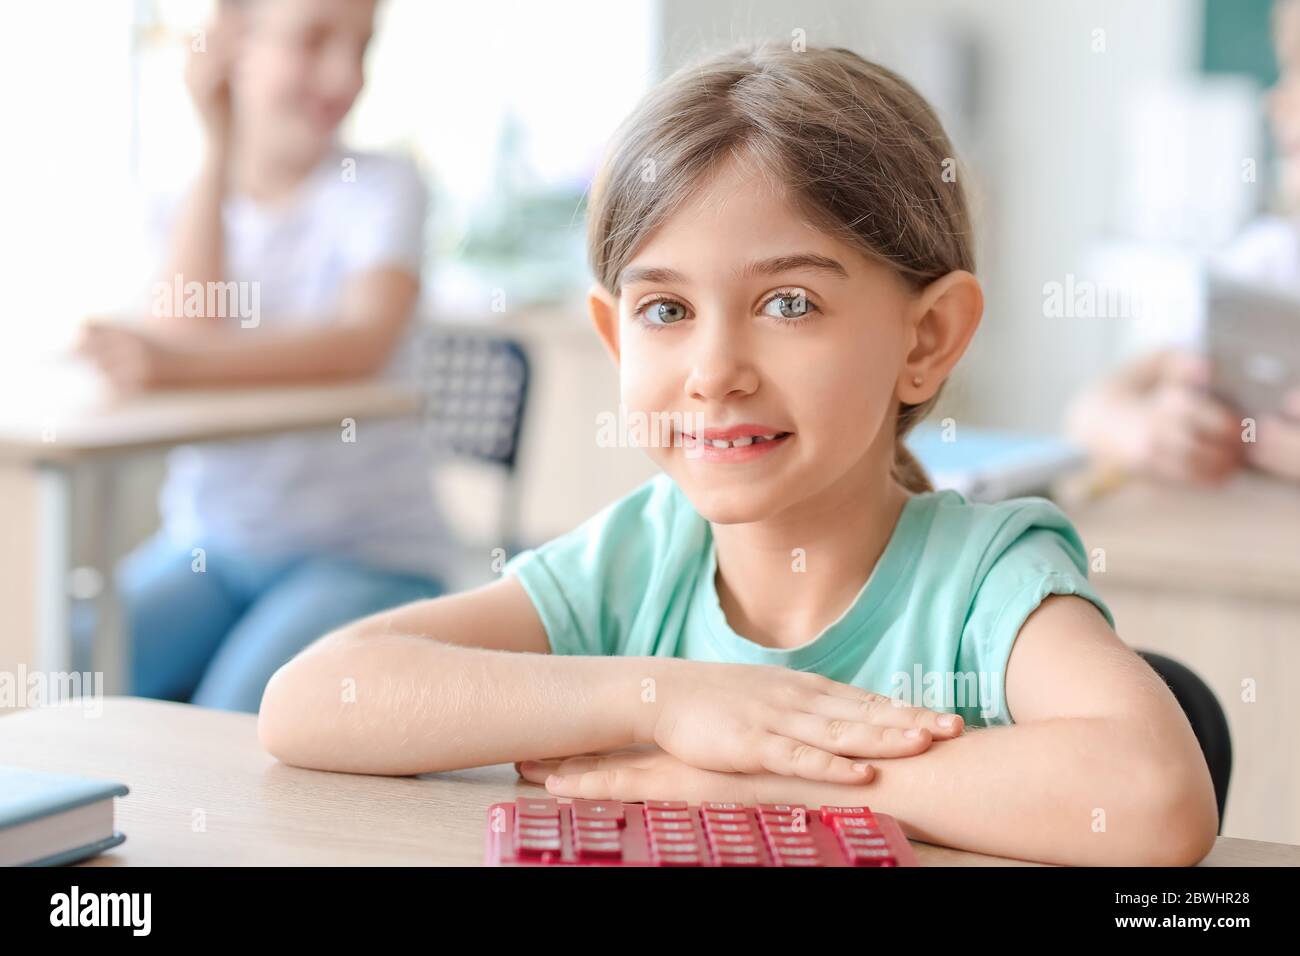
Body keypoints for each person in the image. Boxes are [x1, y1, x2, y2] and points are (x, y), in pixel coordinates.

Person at [258, 45, 1217, 866]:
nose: (714, 373)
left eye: (789, 303)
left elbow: (1154, 794)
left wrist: (755, 780)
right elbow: (312, 700)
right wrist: (664, 699)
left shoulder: (982, 580)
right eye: (665, 311)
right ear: (615, 335)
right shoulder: (638, 560)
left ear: (926, 339)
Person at [76, 0, 453, 713]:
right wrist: (217, 143)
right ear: (233, 44)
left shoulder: (381, 187)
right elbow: (190, 325)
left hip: (366, 555)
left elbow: (361, 344)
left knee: (236, 712)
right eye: (314, 41)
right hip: (211, 546)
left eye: (362, 47)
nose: (346, 75)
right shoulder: (180, 199)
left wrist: (173, 365)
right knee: (68, 657)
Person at [1066, 0, 1300, 485]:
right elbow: (1089, 412)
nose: (1275, 100)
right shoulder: (1270, 261)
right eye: (1287, 69)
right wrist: (1149, 433)